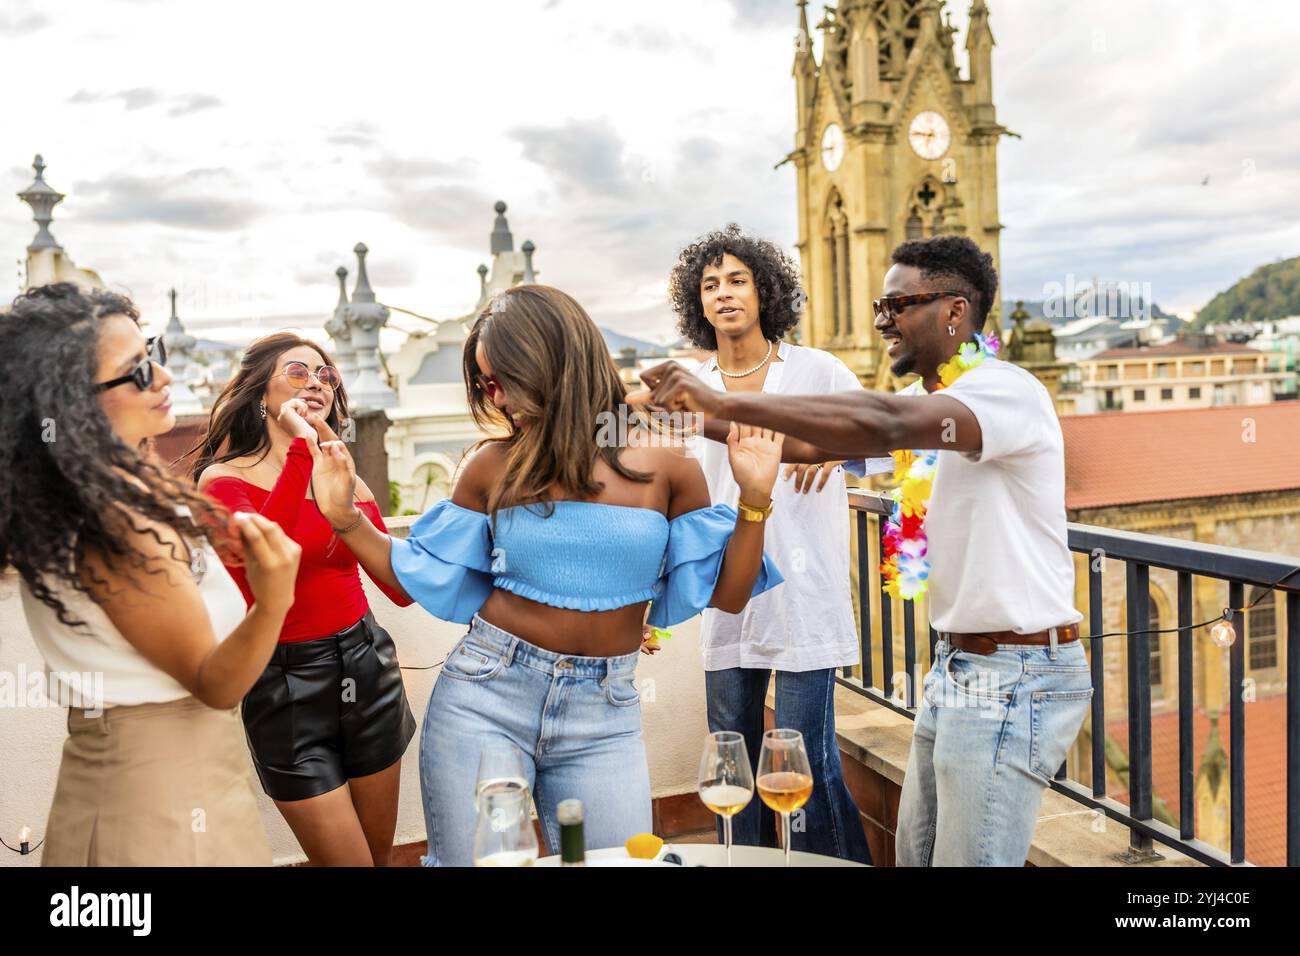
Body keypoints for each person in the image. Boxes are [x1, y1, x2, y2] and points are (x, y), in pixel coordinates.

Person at [640, 235, 1091, 867]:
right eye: (879, 305)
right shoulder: (926, 402)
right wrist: (690, 414)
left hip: (1014, 674)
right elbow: (797, 439)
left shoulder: (1003, 390)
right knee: (915, 855)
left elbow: (877, 422)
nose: (881, 319)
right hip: (957, 663)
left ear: (954, 312)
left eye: (898, 304)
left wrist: (718, 401)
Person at [310, 284, 786, 866]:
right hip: (485, 696)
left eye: (502, 378)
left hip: (604, 710)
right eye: (485, 385)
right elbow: (412, 578)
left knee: (617, 865)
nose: (497, 397)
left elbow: (731, 596)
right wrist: (342, 518)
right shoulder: (492, 465)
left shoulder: (667, 462)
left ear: (552, 362)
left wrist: (755, 501)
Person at [0, 283, 301, 866]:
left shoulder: (111, 491)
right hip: (153, 805)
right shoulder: (108, 521)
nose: (163, 379)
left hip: (182, 786)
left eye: (153, 354)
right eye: (136, 372)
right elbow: (214, 683)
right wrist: (272, 601)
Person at [659, 224, 872, 863]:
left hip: (806, 596)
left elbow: (877, 438)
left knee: (810, 762)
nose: (724, 294)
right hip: (727, 596)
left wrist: (837, 453)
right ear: (696, 304)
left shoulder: (816, 370)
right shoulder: (689, 384)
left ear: (764, 291)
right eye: (709, 284)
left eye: (737, 280)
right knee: (735, 765)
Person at [189, 332, 416, 867]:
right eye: (298, 372)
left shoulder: (346, 480)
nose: (316, 381)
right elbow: (261, 568)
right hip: (283, 687)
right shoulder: (223, 482)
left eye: (327, 375)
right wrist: (300, 451)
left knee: (379, 861)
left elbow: (398, 590)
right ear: (260, 392)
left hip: (367, 672)